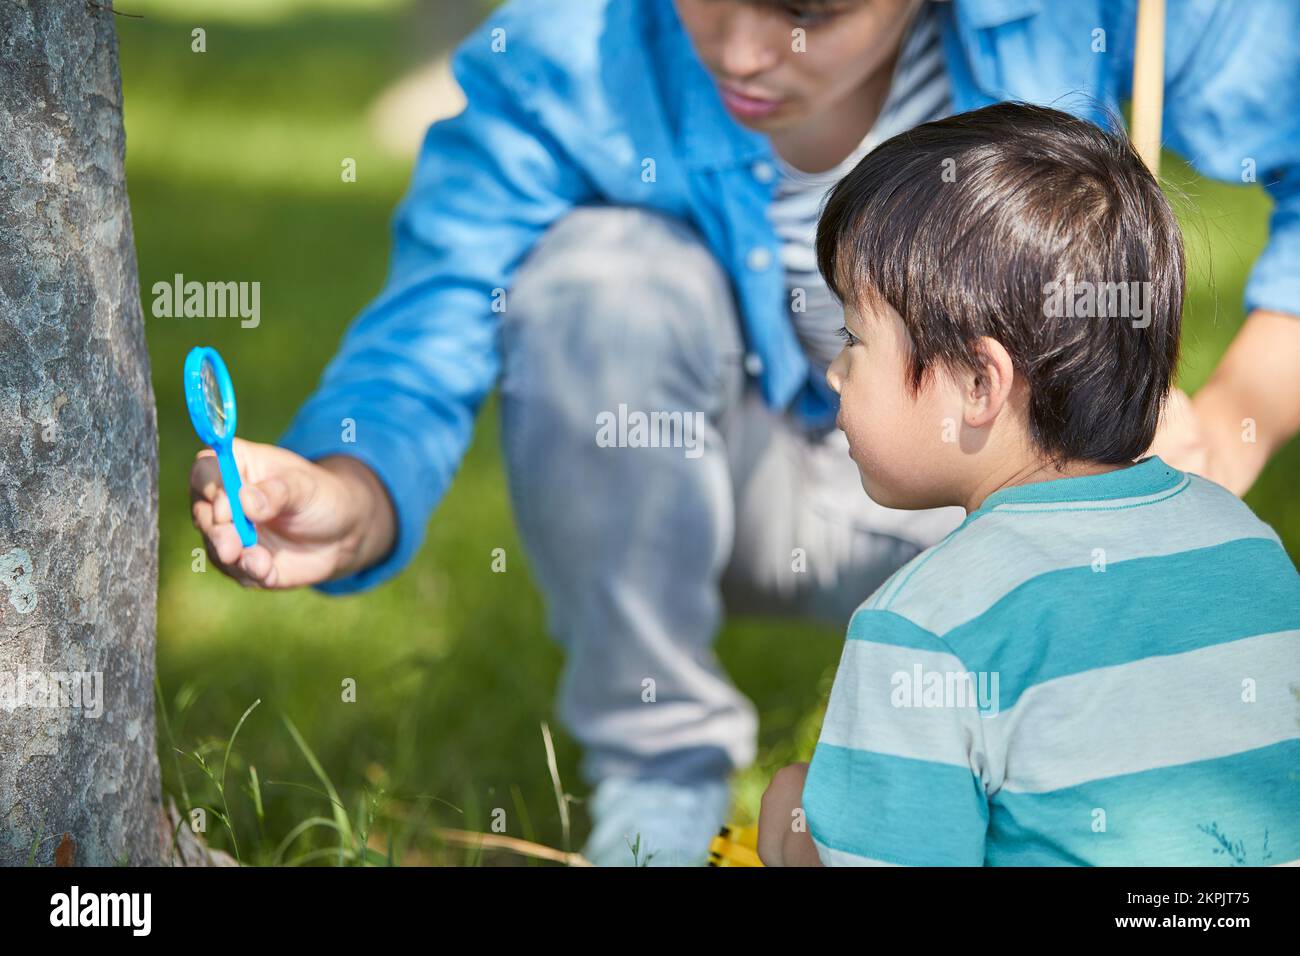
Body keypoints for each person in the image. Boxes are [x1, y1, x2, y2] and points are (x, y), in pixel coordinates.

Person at [189, 0, 1300, 865]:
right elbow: (442, 298)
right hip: (733, 491)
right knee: (594, 278)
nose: (743, 52)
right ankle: (655, 775)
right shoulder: (573, 47)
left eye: (808, 10)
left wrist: (1233, 418)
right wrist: (356, 479)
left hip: (1035, 501)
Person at [756, 102, 1300, 867]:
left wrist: (792, 829)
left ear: (980, 381)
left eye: (854, 338)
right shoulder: (1254, 554)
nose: (834, 371)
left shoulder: (925, 627)